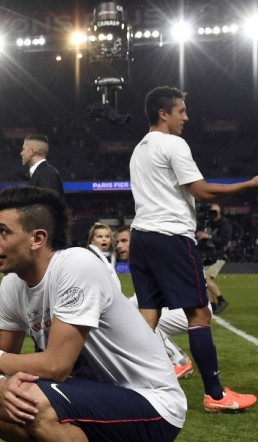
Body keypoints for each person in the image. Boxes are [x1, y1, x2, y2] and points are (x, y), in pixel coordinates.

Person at [0, 186, 187, 442]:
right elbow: (2, 371)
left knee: (34, 398)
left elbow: (55, 366)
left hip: (152, 405)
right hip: (95, 399)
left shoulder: (75, 264)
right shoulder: (14, 284)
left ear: (37, 238)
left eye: (3, 231)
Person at [129, 85, 258, 411]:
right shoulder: (173, 143)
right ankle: (216, 395)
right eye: (181, 111)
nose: (186, 117)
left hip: (140, 237)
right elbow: (201, 192)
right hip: (170, 237)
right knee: (200, 313)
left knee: (148, 318)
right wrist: (249, 185)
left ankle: (134, 386)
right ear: (164, 113)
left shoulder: (139, 148)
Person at [115, 226, 194, 380]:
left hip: (187, 310)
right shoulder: (145, 259)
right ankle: (178, 358)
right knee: (143, 318)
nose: (119, 246)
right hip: (181, 307)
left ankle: (180, 362)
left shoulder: (149, 260)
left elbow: (147, 300)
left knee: (143, 322)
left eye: (124, 241)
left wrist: (119, 308)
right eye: (117, 242)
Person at [195, 203, 233, 314]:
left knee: (206, 279)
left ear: (221, 212)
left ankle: (221, 300)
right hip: (209, 256)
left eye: (215, 211)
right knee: (207, 280)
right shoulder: (209, 223)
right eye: (211, 210)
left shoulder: (226, 225)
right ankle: (213, 305)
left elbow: (224, 242)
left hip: (220, 255)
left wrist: (209, 236)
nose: (212, 213)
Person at [21, 134, 65, 199]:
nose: (21, 153)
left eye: (23, 149)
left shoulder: (47, 174)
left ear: (32, 151)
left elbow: (49, 206)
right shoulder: (41, 173)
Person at [86, 223, 119, 288]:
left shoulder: (112, 258)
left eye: (107, 236)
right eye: (100, 237)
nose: (104, 239)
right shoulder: (89, 256)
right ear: (92, 241)